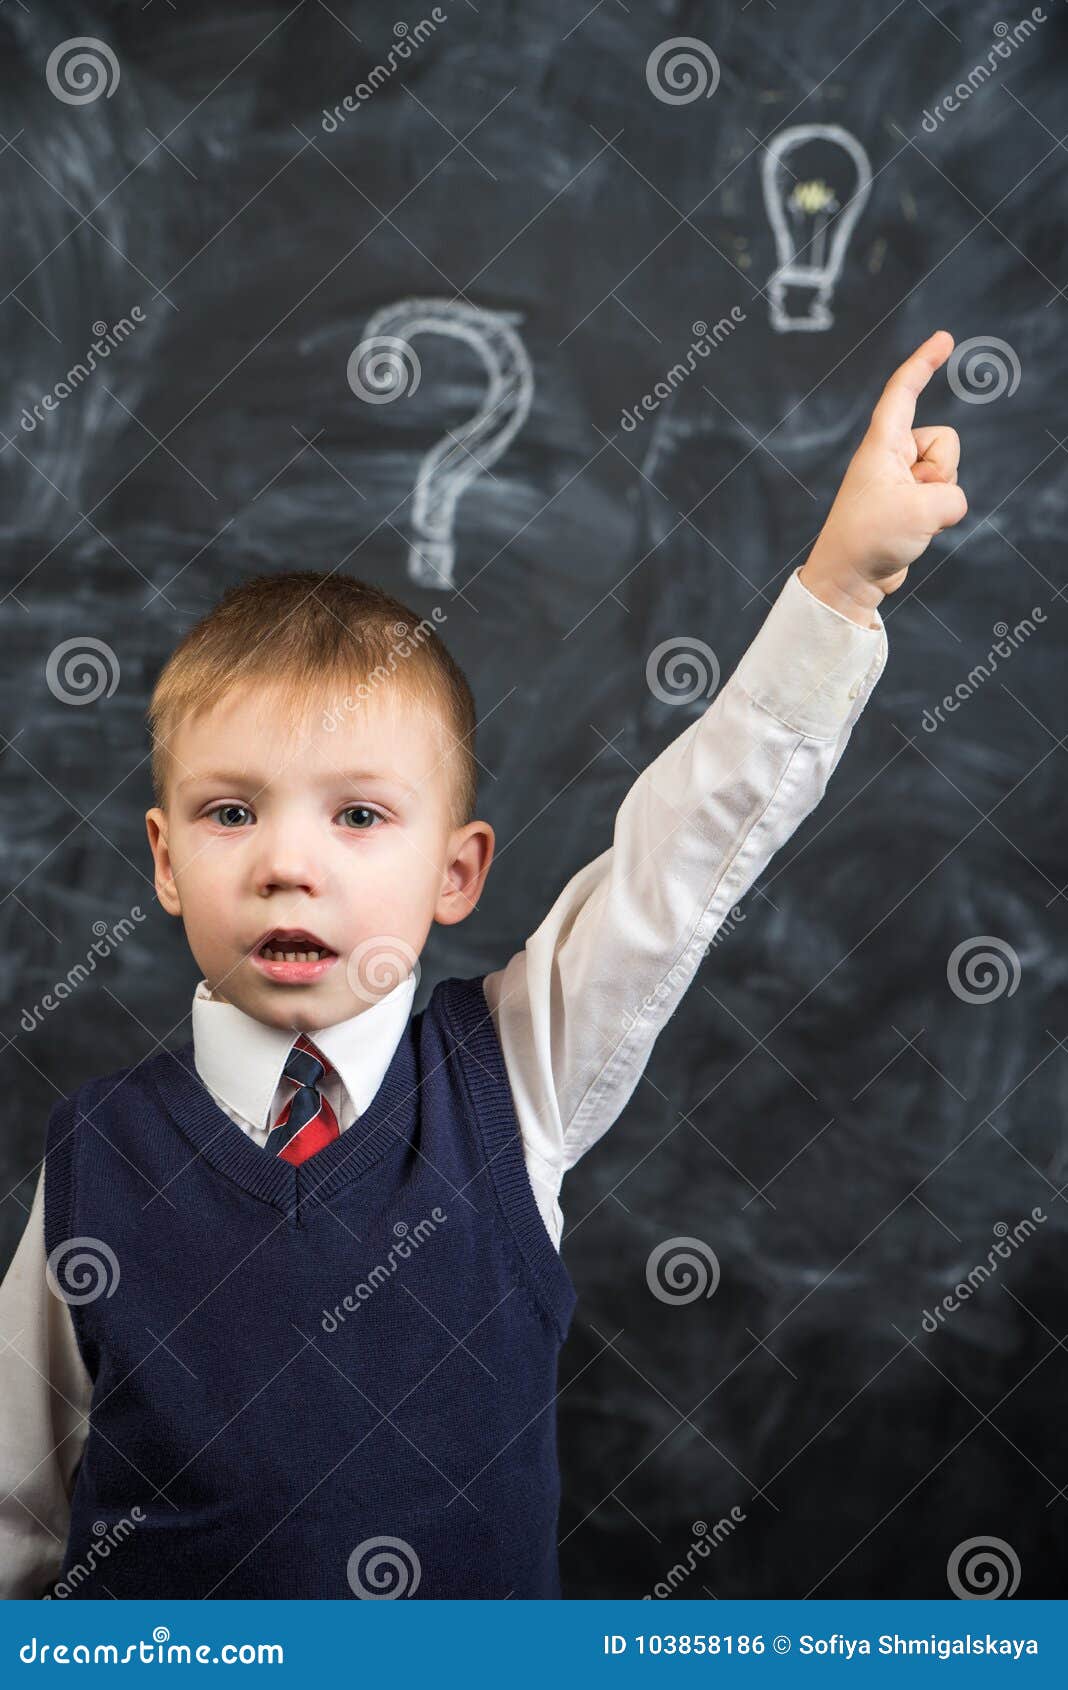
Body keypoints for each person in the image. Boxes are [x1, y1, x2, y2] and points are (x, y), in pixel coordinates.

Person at [0, 333, 966, 1599]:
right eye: (233, 813)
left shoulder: (513, 1073)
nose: (290, 864)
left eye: (358, 816)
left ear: (457, 873)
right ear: (167, 860)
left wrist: (840, 590)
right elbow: (21, 1511)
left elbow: (676, 870)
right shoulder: (96, 1156)